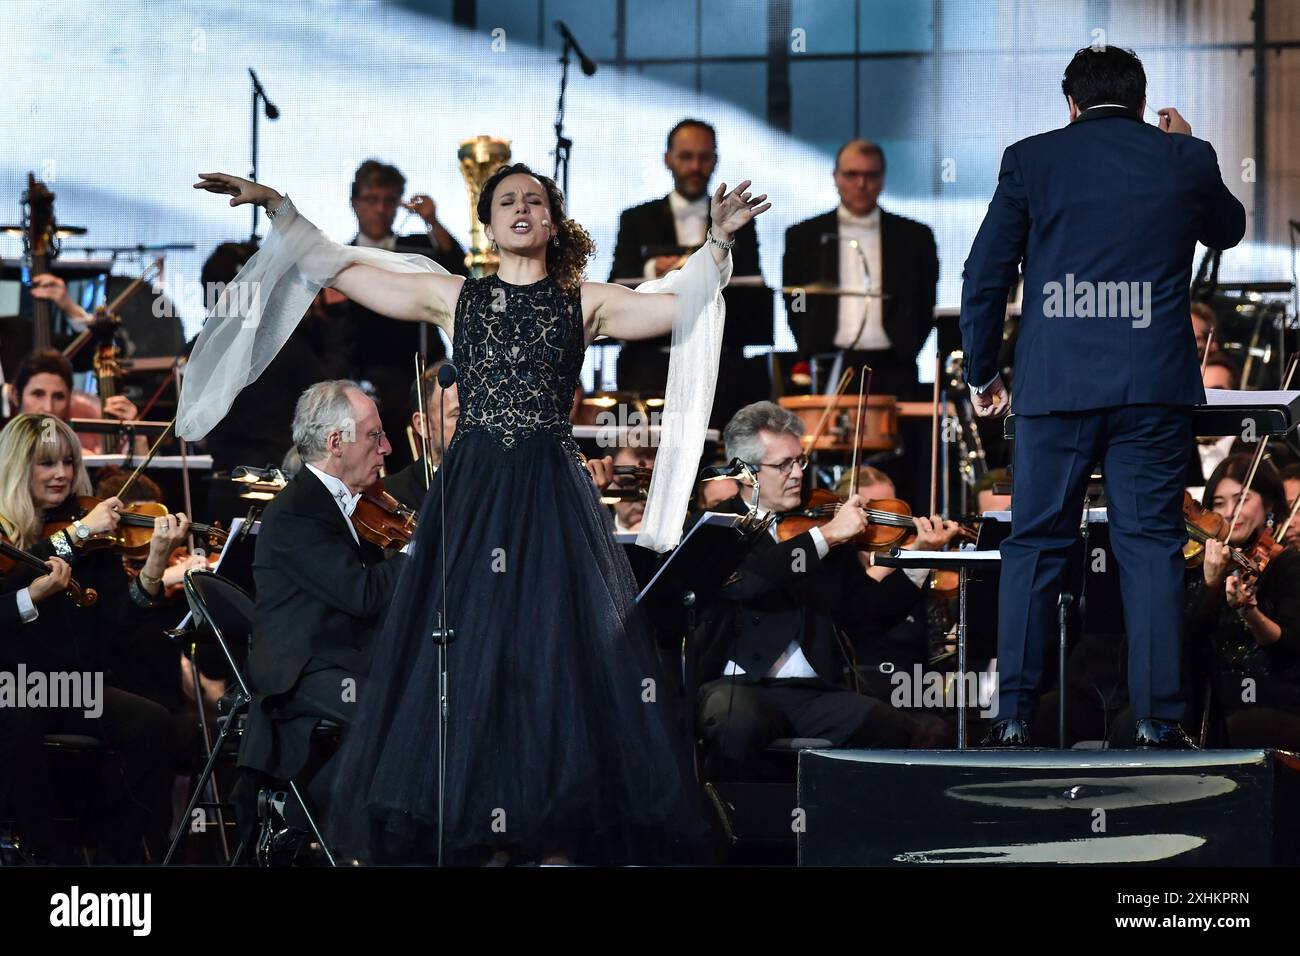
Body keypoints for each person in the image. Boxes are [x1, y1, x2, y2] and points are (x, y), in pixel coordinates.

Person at [184, 159, 768, 864]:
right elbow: (336, 266)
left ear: (552, 219)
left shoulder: (583, 300)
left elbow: (674, 305)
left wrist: (718, 243)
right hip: (475, 499)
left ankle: (548, 831)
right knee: (467, 656)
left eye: (534, 200)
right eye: (506, 202)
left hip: (549, 501)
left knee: (552, 659)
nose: (521, 208)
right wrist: (278, 205)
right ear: (488, 225)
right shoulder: (454, 295)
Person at [961, 45, 1246, 748]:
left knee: (1035, 545)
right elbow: (1229, 230)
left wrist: (981, 370)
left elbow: (984, 271)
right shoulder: (1185, 157)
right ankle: (1157, 721)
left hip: (1055, 387)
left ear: (1071, 102)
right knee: (1150, 547)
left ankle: (1015, 718)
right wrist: (1187, 151)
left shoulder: (1031, 158)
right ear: (1143, 101)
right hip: (1152, 386)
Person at [693, 402, 957, 781]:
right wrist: (828, 535)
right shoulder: (719, 526)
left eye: (800, 461)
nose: (798, 473)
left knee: (895, 728)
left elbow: (866, 612)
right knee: (736, 722)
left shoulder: (817, 523)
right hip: (738, 684)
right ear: (747, 473)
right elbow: (748, 582)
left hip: (813, 690)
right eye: (784, 464)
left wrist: (919, 555)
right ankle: (741, 830)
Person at [0, 413, 191, 861]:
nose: (62, 474)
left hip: (69, 688)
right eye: (46, 464)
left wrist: (153, 566)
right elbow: (15, 582)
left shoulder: (91, 534)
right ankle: (45, 855)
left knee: (154, 724)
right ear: (16, 467)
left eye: (68, 461)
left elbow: (117, 627)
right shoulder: (25, 533)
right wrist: (75, 536)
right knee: (22, 717)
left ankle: (116, 849)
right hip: (11, 685)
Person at [236, 381, 408, 836]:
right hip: (303, 669)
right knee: (397, 714)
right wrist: (417, 553)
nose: (386, 447)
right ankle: (296, 821)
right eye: (374, 435)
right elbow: (364, 595)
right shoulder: (295, 512)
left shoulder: (357, 506)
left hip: (349, 656)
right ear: (336, 443)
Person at [609, 119, 765, 424]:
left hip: (717, 359)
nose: (695, 166)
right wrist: (654, 268)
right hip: (651, 360)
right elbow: (618, 282)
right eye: (685, 156)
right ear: (667, 159)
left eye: (704, 157)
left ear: (715, 160)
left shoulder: (741, 221)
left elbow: (751, 288)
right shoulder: (636, 219)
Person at [783, 139, 939, 399]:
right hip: (829, 362)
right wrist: (810, 346)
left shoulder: (915, 236)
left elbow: (925, 304)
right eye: (851, 174)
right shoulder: (803, 236)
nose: (861, 184)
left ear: (883, 178)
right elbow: (794, 299)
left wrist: (907, 348)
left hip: (895, 366)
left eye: (870, 175)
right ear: (835, 177)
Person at [342, 160, 469, 471]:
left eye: (389, 200)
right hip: (366, 377)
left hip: (419, 372)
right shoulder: (343, 259)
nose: (381, 209)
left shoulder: (416, 248)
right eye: (372, 199)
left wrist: (432, 221)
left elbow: (458, 271)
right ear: (355, 203)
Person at [1183, 456, 1300, 751]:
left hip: (1277, 699)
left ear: (1270, 505)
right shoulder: (1201, 564)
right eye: (1219, 503)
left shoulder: (1288, 563)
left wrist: (1250, 611)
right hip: (1210, 698)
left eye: (1242, 499)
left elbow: (1290, 648)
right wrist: (1211, 585)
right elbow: (1187, 646)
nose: (1230, 512)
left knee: (1239, 730)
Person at [383, 359, 460, 514]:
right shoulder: (393, 494)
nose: (469, 425)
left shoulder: (499, 480)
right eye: (457, 414)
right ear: (422, 425)